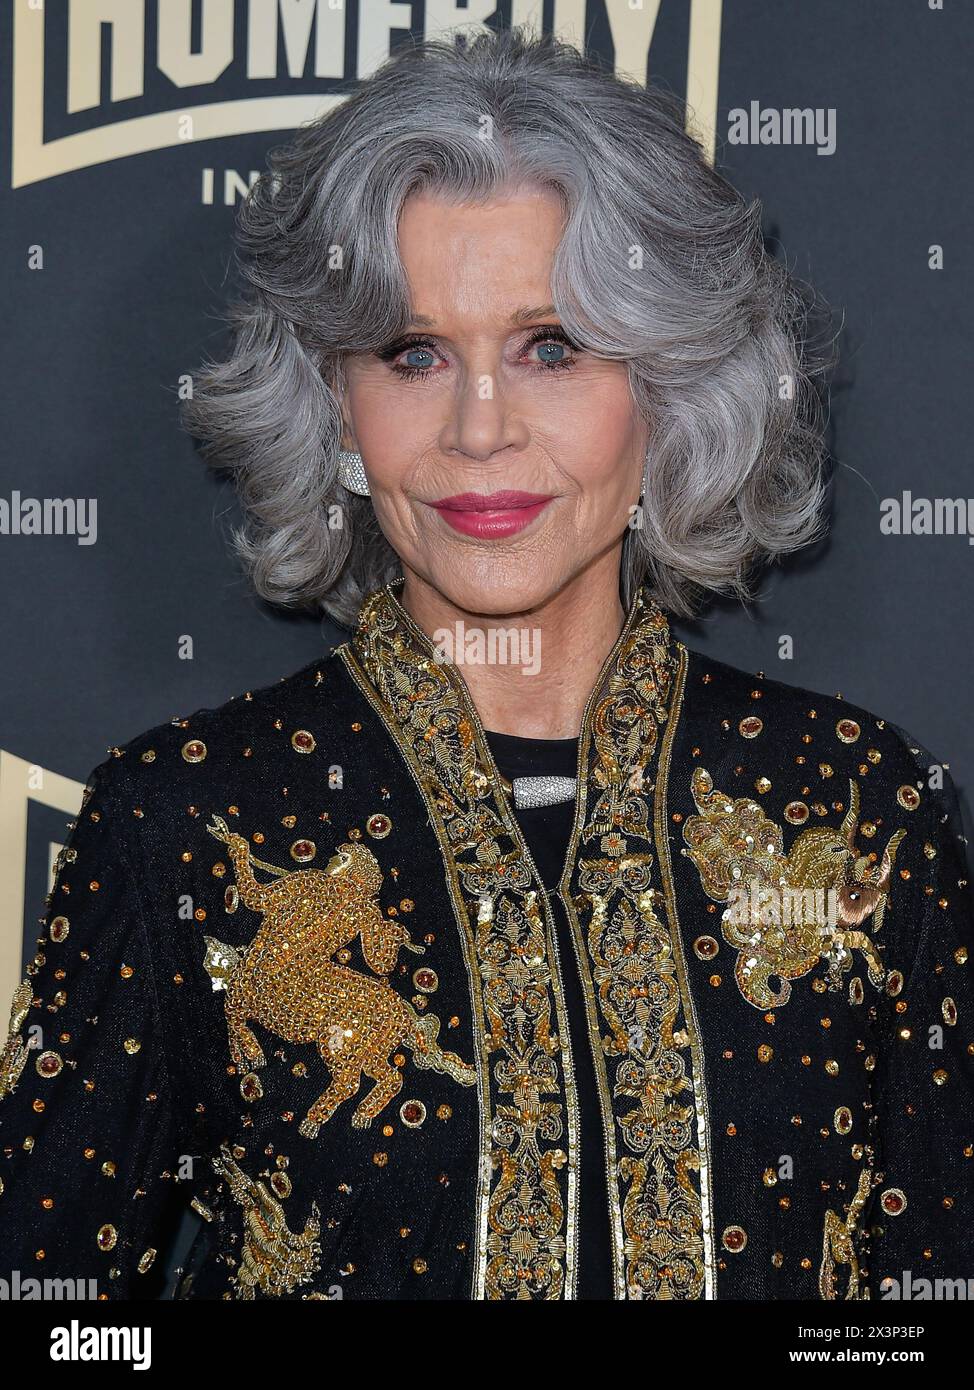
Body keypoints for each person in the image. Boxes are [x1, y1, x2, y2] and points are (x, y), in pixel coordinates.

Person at [1, 27, 971, 1303]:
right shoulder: (178, 823)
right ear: (336, 408)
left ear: (667, 387)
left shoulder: (855, 806)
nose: (477, 428)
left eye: (551, 347)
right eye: (412, 356)